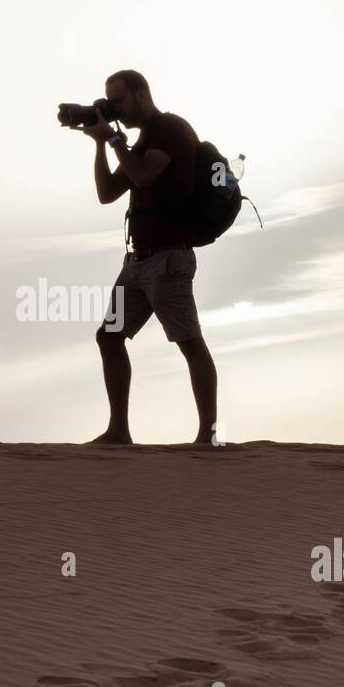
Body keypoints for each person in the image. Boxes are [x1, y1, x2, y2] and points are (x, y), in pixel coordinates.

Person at [71, 69, 219, 445]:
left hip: (169, 259)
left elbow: (143, 175)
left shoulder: (170, 129)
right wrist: (100, 143)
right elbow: (107, 193)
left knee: (189, 342)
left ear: (140, 94)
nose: (114, 108)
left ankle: (208, 436)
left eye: (118, 100)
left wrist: (116, 139)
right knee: (109, 336)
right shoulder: (139, 141)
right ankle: (119, 430)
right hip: (137, 263)